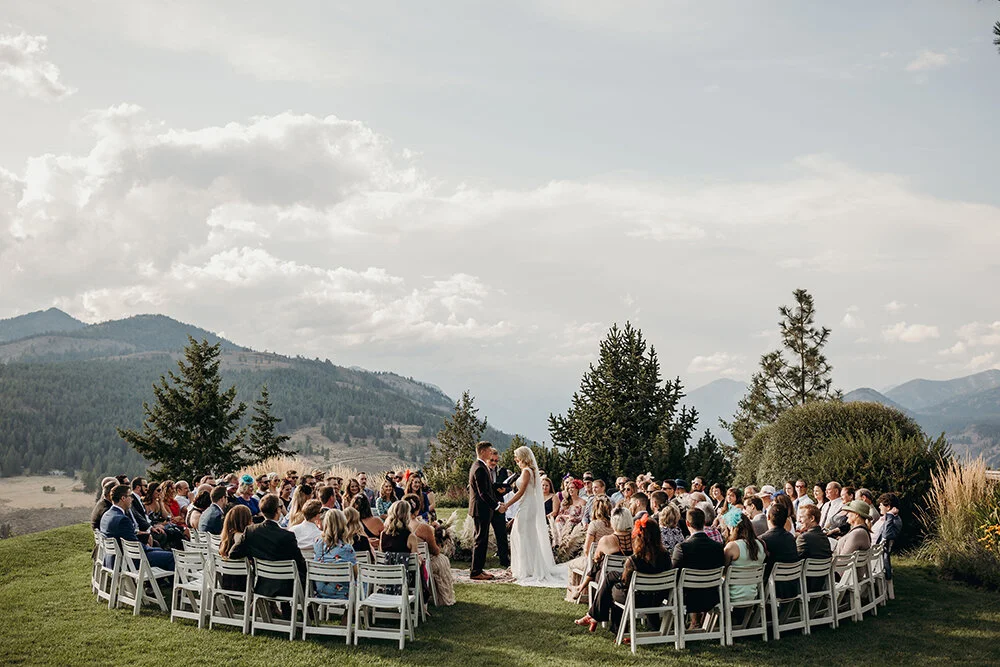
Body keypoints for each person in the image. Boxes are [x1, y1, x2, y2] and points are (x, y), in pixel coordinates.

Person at [497, 445, 566, 587]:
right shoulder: (528, 471)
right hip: (526, 505)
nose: (515, 459)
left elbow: (521, 492)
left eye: (517, 456)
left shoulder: (527, 471)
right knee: (523, 535)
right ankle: (526, 567)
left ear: (523, 457)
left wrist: (507, 505)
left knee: (522, 535)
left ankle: (526, 570)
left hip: (527, 506)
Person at [229, 494, 306, 598]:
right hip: (286, 586)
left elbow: (233, 553)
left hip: (262, 584)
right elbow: (300, 562)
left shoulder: (251, 531)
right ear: (278, 510)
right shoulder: (287, 536)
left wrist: (253, 558)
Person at [609, 515, 673, 635]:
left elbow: (625, 583)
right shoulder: (666, 557)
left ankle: (619, 630)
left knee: (615, 590)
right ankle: (654, 625)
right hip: (658, 598)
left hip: (637, 600)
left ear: (639, 536)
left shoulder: (633, 560)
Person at [573, 506, 635, 629]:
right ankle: (593, 614)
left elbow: (596, 560)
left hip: (608, 578)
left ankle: (592, 613)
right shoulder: (638, 540)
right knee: (602, 569)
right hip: (630, 579)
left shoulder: (606, 540)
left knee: (599, 565)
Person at [100, 484, 174, 571]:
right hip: (129, 561)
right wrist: (148, 547)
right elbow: (134, 545)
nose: (132, 499)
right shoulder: (122, 519)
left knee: (160, 550)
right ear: (123, 498)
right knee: (171, 557)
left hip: (112, 559)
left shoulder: (107, 515)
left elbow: (123, 535)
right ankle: (175, 580)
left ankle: (160, 579)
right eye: (130, 496)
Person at [671, 508, 725, 619]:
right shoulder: (718, 547)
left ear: (687, 523)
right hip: (712, 597)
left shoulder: (682, 548)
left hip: (687, 599)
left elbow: (674, 574)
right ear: (704, 522)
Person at [403, 494, 456, 606]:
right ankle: (441, 596)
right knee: (442, 560)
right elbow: (435, 551)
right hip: (420, 564)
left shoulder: (395, 526)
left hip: (401, 563)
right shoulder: (423, 527)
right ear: (417, 509)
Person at [468, 441, 511, 580]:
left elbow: (488, 489)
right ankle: (476, 572)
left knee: (482, 539)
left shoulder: (480, 466)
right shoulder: (479, 468)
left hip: (483, 509)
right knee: (480, 540)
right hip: (480, 509)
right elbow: (483, 493)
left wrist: (498, 502)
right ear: (483, 452)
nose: (490, 452)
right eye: (488, 450)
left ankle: (478, 569)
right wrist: (497, 506)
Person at [566, 496, 613, 600]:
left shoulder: (594, 524)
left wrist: (590, 563)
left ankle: (576, 593)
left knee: (571, 564)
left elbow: (587, 549)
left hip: (594, 562)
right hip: (611, 562)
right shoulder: (614, 524)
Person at [313, 509, 356, 600]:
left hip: (320, 590)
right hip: (341, 593)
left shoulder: (317, 543)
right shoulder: (346, 548)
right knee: (362, 580)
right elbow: (355, 574)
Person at [722, 510, 766, 602]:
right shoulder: (761, 544)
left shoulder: (732, 547)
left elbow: (722, 571)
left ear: (732, 528)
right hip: (753, 593)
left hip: (732, 595)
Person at [760, 503, 799, 600]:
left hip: (772, 588)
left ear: (768, 517)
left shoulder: (763, 540)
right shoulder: (791, 538)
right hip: (792, 585)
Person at [796, 503, 832, 592]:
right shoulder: (824, 537)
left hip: (805, 585)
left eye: (801, 517)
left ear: (812, 518)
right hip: (821, 583)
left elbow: (793, 560)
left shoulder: (804, 538)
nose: (799, 520)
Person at [873, 493, 901, 589]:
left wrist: (889, 515)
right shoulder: (885, 518)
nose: (879, 507)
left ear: (888, 507)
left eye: (881, 505)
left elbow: (886, 535)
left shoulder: (894, 520)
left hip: (873, 555)